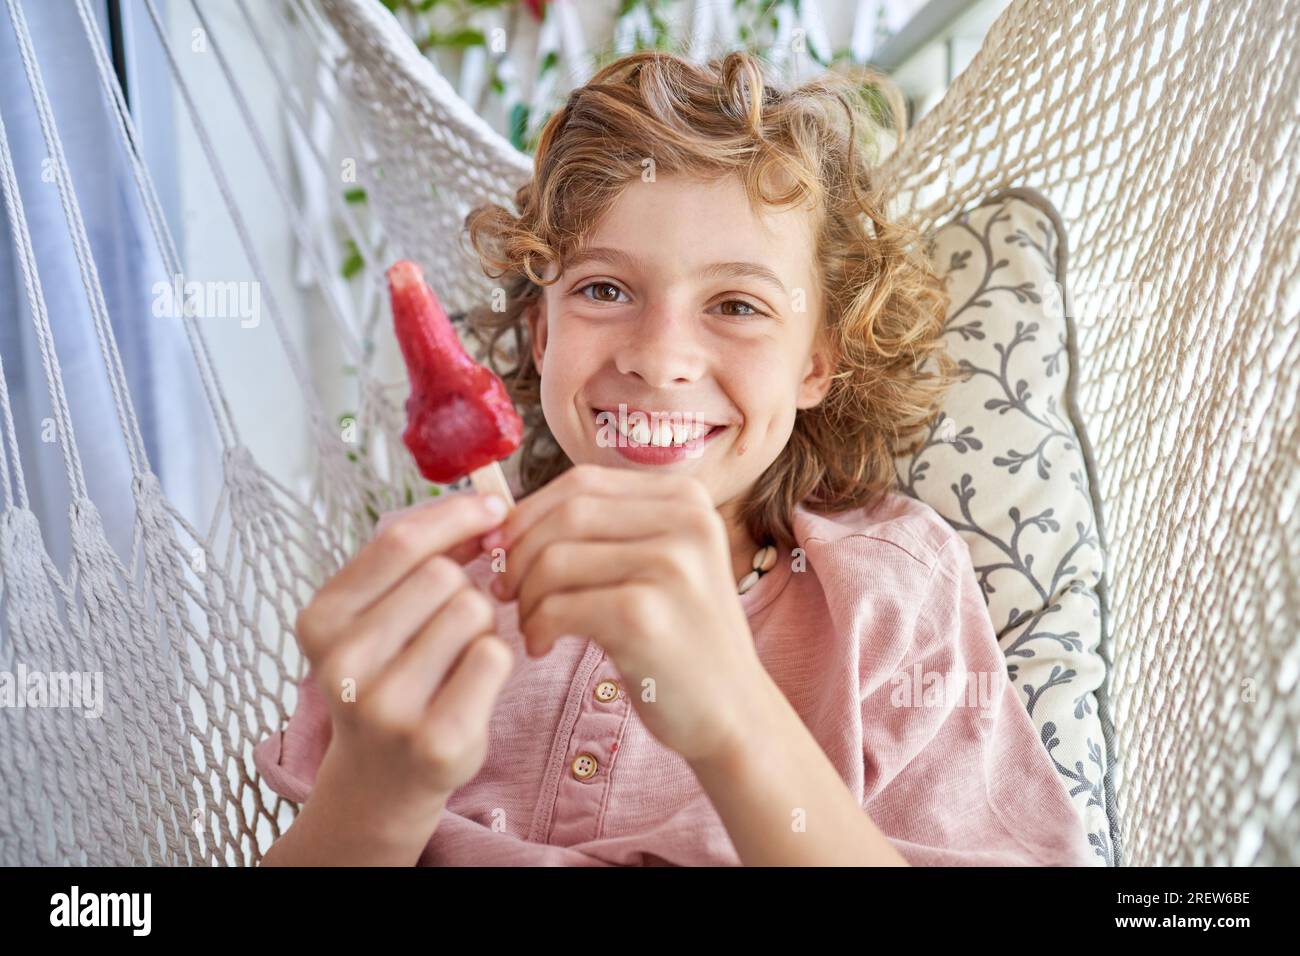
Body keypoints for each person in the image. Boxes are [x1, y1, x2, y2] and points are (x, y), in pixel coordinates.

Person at [255, 49, 1094, 867]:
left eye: (736, 304)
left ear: (816, 363)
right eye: (604, 290)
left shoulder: (886, 595)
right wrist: (372, 797)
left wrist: (733, 719)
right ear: (542, 334)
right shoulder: (429, 591)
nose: (659, 358)